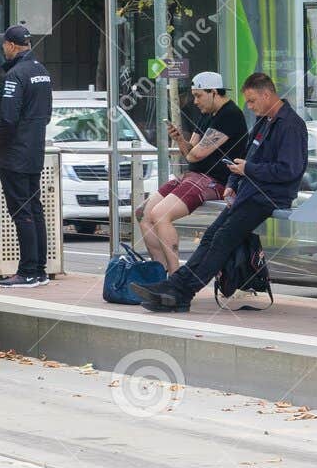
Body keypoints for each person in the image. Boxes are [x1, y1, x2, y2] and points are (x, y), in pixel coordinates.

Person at [131, 73, 307, 312]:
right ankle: (175, 287)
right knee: (212, 236)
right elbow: (245, 156)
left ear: (267, 95)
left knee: (223, 239)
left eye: (253, 101)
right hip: (248, 191)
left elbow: (289, 170)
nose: (250, 106)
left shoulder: (291, 125)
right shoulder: (265, 120)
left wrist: (248, 170)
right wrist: (233, 182)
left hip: (268, 195)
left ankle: (181, 291)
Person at [137, 72, 249, 271]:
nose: (195, 101)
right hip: (193, 175)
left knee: (160, 215)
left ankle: (175, 277)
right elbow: (191, 151)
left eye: (198, 96)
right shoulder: (206, 114)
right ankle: (158, 272)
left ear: (213, 92)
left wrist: (190, 150)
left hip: (215, 179)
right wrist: (180, 139)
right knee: (142, 213)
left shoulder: (230, 115)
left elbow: (196, 155)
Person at [0, 24, 53, 288]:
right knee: (35, 209)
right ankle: (39, 269)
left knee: (22, 212)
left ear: (12, 46)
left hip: (14, 153)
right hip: (34, 151)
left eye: (4, 43)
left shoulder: (15, 75)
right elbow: (47, 114)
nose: (2, 46)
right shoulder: (41, 71)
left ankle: (27, 271)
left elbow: (7, 118)